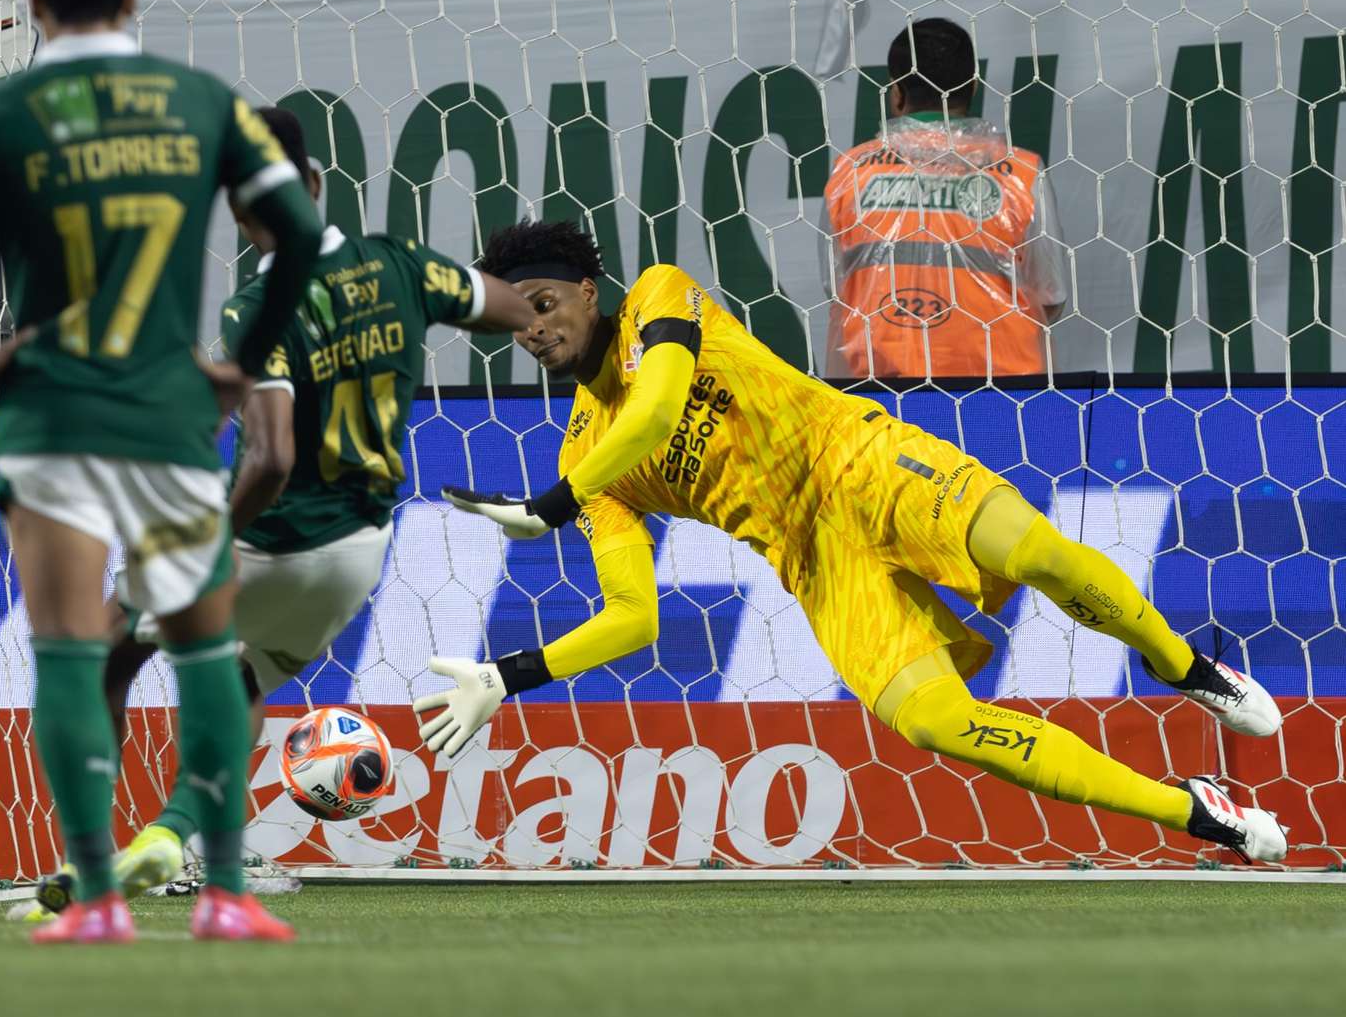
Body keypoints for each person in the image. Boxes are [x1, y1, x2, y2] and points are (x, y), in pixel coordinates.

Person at [420, 220, 1288, 865]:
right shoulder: (586, 454)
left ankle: (1188, 670)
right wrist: (509, 674)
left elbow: (656, 407)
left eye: (543, 305)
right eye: (515, 324)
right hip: (814, 561)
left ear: (587, 290)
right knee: (936, 721)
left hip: (863, 459)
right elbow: (631, 617)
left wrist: (556, 501)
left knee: (1037, 553)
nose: (533, 330)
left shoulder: (658, 295)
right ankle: (1195, 811)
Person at [0, 0, 324, 944]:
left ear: (32, 5)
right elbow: (299, 230)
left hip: (50, 418)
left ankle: (93, 899)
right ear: (135, 0)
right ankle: (224, 890)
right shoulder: (200, 101)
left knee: (73, 653)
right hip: (169, 418)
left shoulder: (2, 107)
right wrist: (243, 360)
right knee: (207, 649)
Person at [68, 107, 533, 901]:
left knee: (110, 646)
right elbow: (511, 310)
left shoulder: (257, 308)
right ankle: (173, 836)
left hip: (269, 540)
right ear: (317, 183)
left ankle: (87, 856)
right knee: (245, 684)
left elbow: (273, 456)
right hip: (359, 557)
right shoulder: (404, 265)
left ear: (245, 219)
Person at [821, 18, 1067, 380]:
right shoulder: (1021, 173)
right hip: (1002, 401)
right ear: (972, 86)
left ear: (897, 92)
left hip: (884, 401)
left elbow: (838, 289)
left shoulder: (850, 173)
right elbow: (1051, 294)